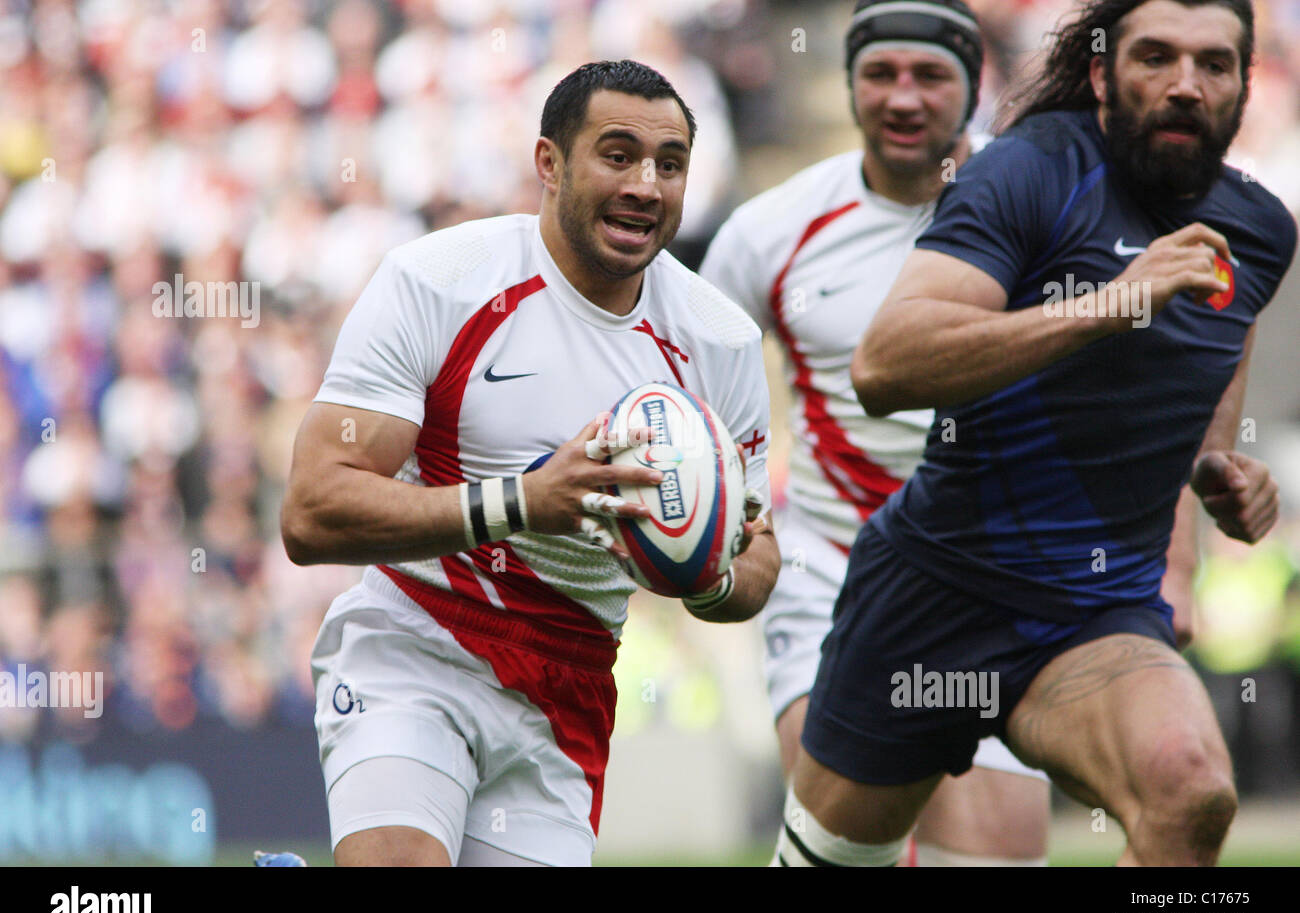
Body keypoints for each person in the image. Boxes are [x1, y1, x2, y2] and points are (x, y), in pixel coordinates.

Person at [778, 0, 1297, 867]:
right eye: (1156, 57)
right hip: (933, 599)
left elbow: (1213, 381)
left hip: (1095, 615)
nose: (1184, 85)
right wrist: (1113, 303)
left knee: (1191, 791)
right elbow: (885, 364)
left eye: (1214, 64)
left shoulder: (1260, 230)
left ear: (1246, 83)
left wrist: (1216, 477)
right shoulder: (1026, 173)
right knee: (829, 862)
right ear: (1101, 72)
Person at [280, 59, 779, 867]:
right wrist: (521, 502)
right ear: (548, 164)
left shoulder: (719, 341)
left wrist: (702, 565)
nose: (647, 186)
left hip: (566, 692)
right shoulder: (440, 281)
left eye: (671, 164)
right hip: (417, 644)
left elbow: (758, 557)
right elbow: (310, 512)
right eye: (618, 155)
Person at [703, 0, 1067, 866]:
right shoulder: (770, 228)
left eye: (930, 74)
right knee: (842, 847)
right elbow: (690, 387)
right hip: (830, 564)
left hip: (986, 583)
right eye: (880, 73)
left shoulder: (1045, 215)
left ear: (973, 85)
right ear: (849, 83)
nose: (903, 98)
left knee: (990, 857)